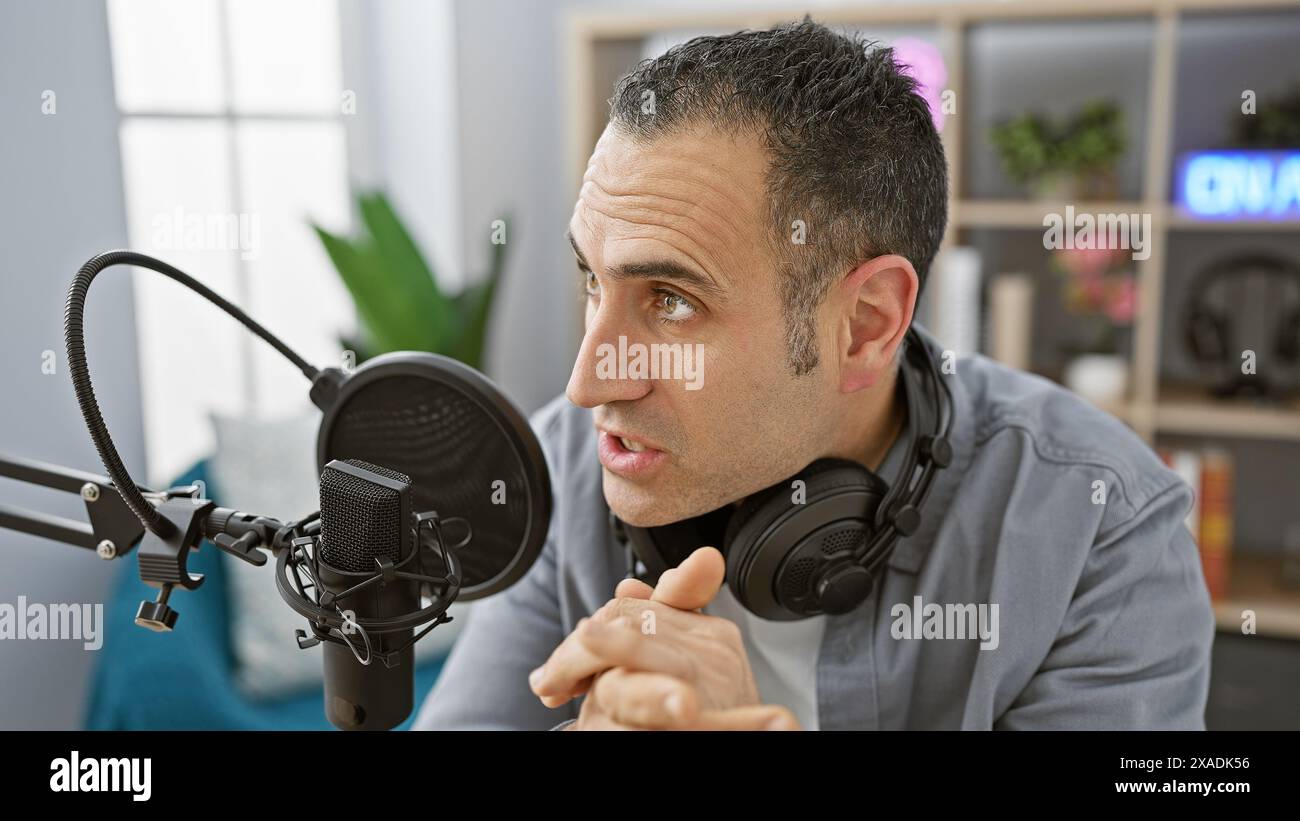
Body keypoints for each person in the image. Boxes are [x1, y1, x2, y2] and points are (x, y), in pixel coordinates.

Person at [414, 19, 1213, 731]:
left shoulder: (1103, 529)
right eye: (594, 280)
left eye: (671, 299)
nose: (589, 382)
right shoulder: (567, 462)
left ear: (865, 324)